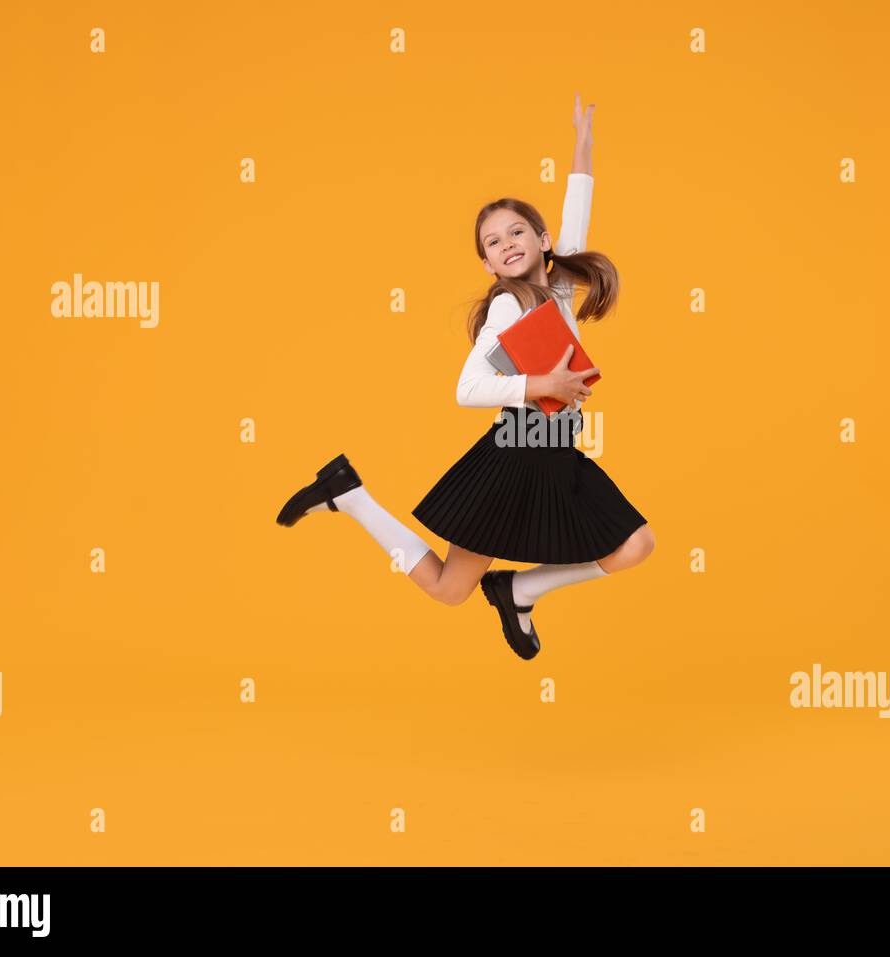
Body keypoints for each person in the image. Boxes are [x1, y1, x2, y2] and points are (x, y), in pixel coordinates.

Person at [276, 93, 655, 660]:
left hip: (556, 454)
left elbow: (577, 215)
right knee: (450, 590)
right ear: (486, 263)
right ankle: (351, 498)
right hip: (513, 458)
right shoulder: (507, 306)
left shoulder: (557, 289)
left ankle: (517, 588)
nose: (506, 245)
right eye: (493, 243)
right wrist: (544, 387)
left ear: (542, 240)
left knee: (636, 545)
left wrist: (583, 144)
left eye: (516, 233)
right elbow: (468, 388)